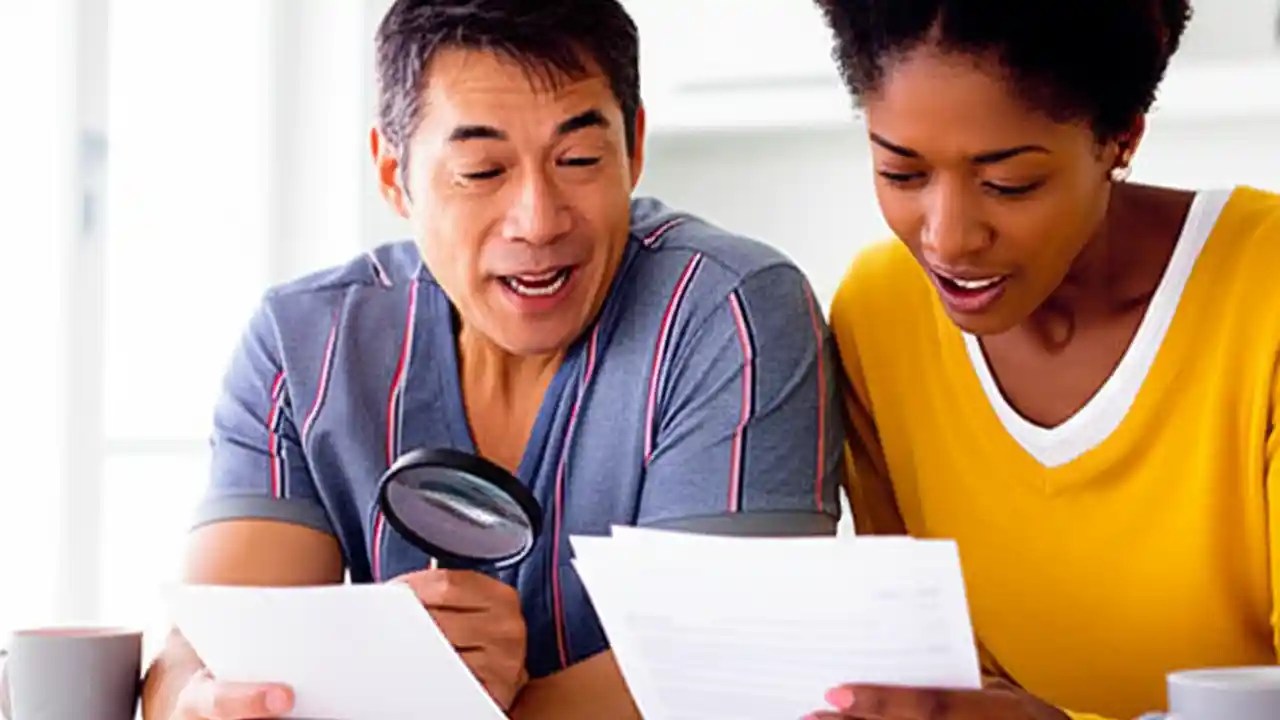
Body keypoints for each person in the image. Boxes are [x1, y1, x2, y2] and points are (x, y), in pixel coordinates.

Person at [139, 1, 845, 718]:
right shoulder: (304, 346)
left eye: (578, 160)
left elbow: (728, 673)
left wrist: (399, 697)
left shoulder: (728, 312)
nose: (538, 220)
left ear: (633, 146)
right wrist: (204, 701)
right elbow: (198, 655)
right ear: (393, 172)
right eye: (481, 171)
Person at [806, 1, 1280, 719]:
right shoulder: (880, 318)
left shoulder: (1263, 295)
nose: (948, 238)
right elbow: (936, 672)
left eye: (1008, 184)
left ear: (1119, 139)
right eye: (901, 174)